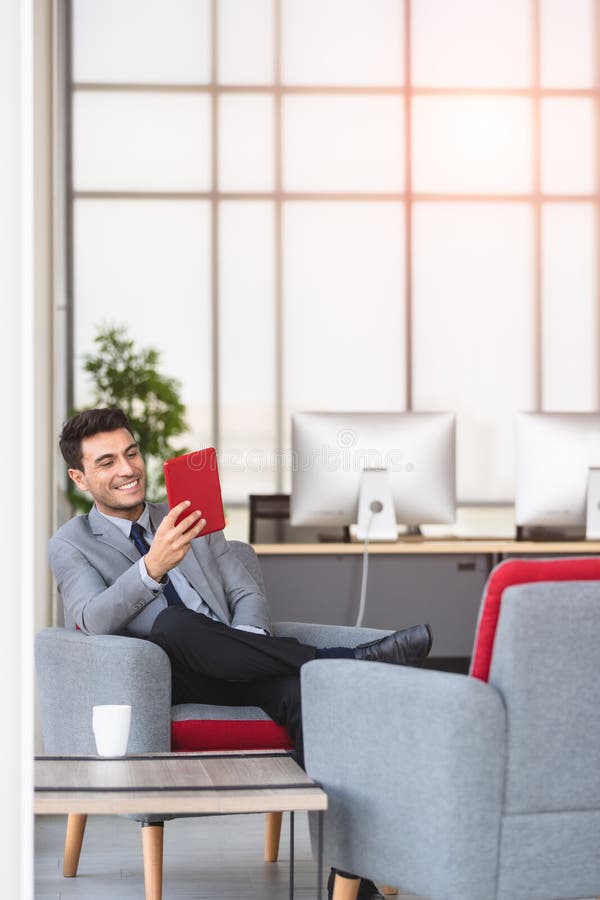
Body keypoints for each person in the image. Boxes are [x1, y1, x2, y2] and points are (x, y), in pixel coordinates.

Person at [49, 407, 433, 900]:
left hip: (238, 661)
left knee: (312, 698)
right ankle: (352, 661)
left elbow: (244, 589)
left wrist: (246, 642)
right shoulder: (71, 543)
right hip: (166, 678)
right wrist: (152, 567)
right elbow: (91, 618)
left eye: (131, 453)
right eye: (107, 462)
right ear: (80, 478)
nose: (127, 469)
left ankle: (352, 880)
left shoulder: (188, 513)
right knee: (175, 624)